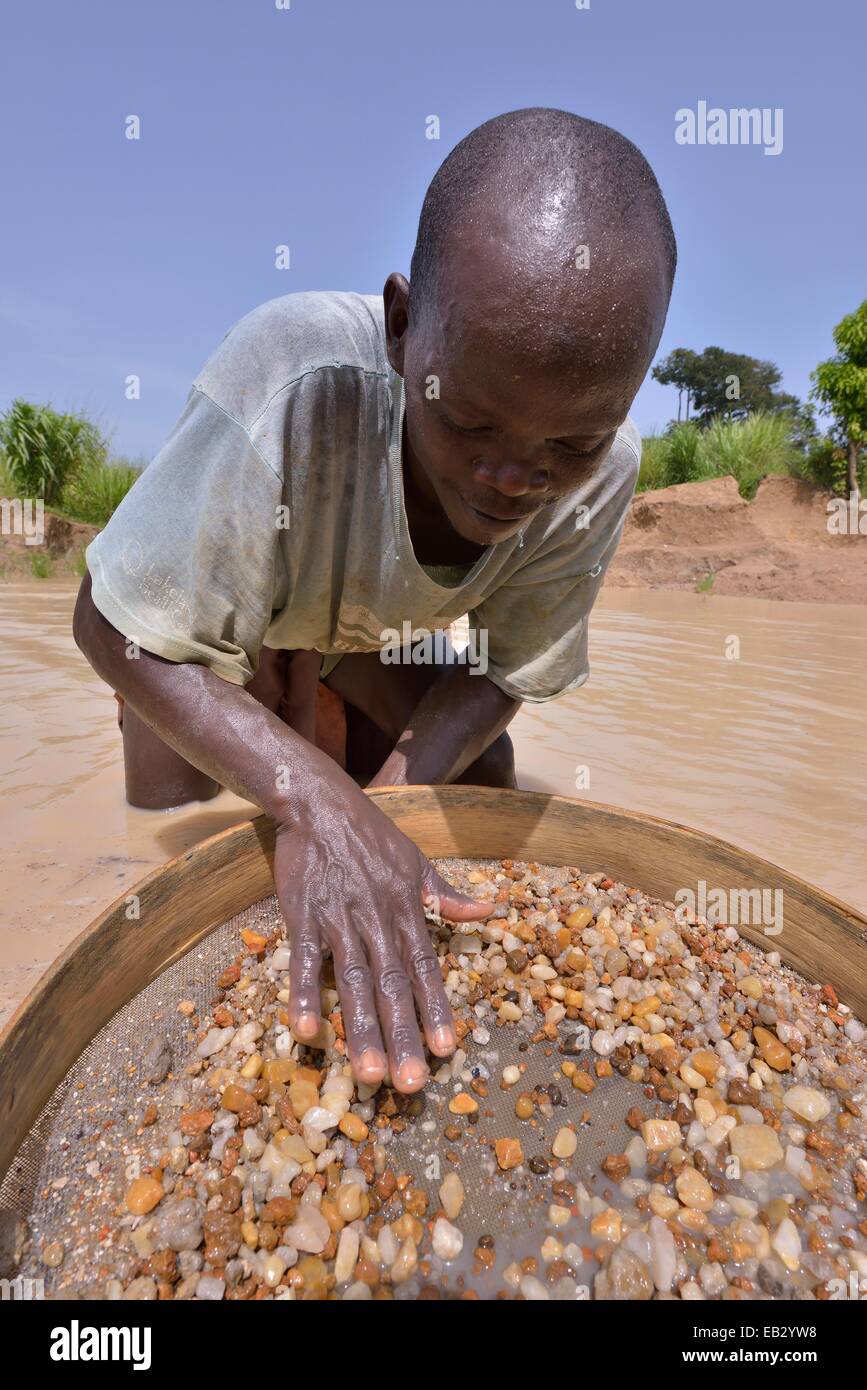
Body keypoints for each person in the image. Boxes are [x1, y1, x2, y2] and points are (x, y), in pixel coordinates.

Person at [73, 107, 676, 1096]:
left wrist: (377, 813)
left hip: (362, 635)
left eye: (567, 446)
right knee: (173, 803)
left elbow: (505, 669)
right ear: (403, 329)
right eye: (470, 420)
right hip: (233, 627)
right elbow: (111, 623)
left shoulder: (607, 465)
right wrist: (312, 795)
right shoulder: (292, 378)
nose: (513, 477)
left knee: (490, 767)